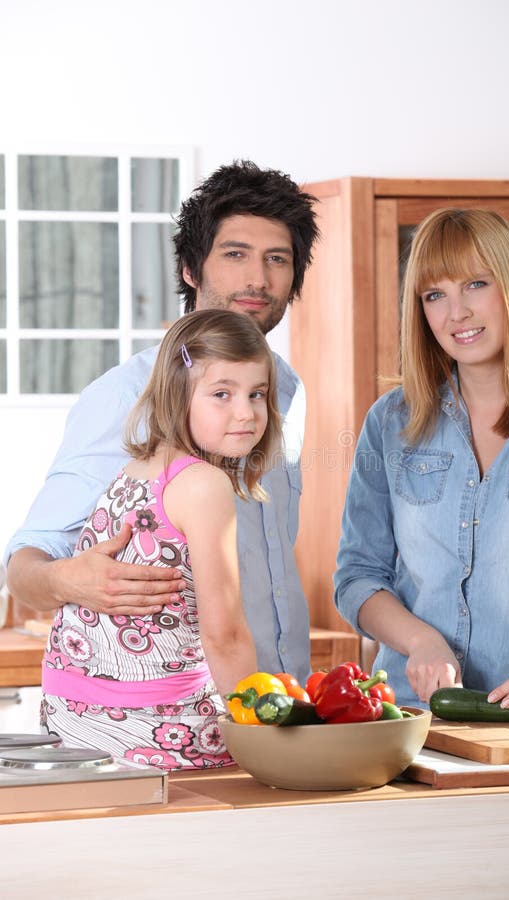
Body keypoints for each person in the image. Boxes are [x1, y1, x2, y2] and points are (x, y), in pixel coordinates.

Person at [5, 160, 319, 686]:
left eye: (277, 259)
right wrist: (69, 579)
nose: (257, 279)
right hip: (172, 717)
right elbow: (25, 569)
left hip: (278, 703)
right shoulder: (126, 396)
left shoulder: (286, 390)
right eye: (235, 254)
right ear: (190, 270)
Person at [334, 207, 509, 718]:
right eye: (435, 295)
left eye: (475, 284)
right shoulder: (391, 421)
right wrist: (421, 641)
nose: (456, 313)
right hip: (408, 717)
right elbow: (358, 576)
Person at [41, 308, 279, 767]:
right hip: (151, 722)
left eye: (258, 393)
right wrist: (264, 739)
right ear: (178, 395)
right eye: (221, 394)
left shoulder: (135, 470)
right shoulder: (203, 485)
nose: (246, 412)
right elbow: (224, 635)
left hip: (70, 715)